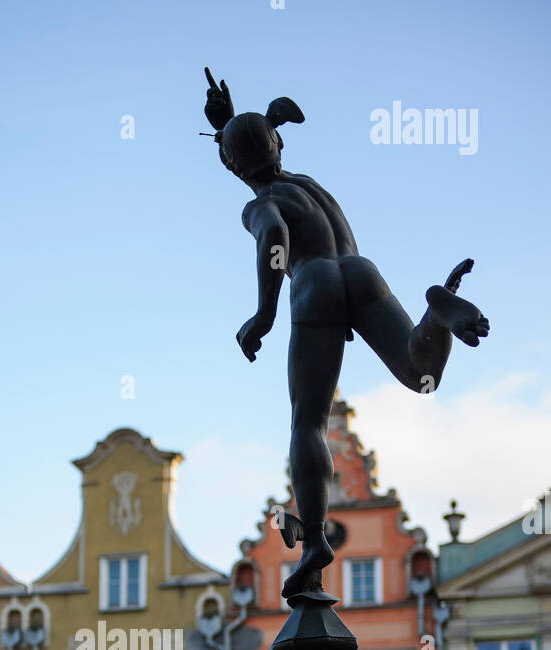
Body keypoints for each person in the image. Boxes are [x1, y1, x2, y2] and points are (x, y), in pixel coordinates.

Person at [203, 69, 489, 598]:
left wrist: (263, 313)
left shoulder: (260, 202)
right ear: (279, 140)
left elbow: (274, 234)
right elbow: (257, 145)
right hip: (359, 269)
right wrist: (233, 127)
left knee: (307, 422)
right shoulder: (308, 184)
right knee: (418, 370)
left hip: (314, 282)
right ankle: (437, 314)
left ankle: (313, 541)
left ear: (231, 166)